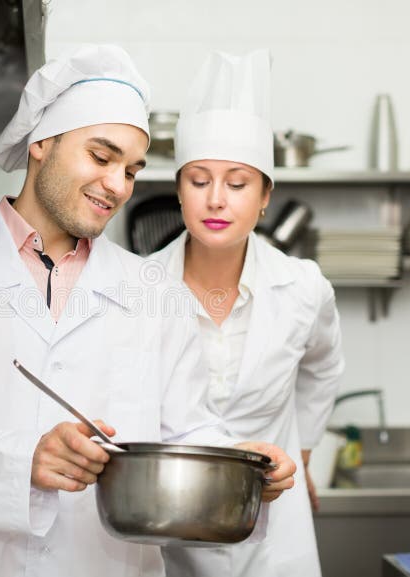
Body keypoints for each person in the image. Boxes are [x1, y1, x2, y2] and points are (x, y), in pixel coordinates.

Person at [0, 44, 295, 577]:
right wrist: (19, 463)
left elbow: (184, 433)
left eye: (131, 170)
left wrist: (240, 467)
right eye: (101, 158)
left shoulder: (153, 291)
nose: (117, 186)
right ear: (42, 143)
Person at [150, 50, 344, 577]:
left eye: (237, 183)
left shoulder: (302, 288)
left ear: (264, 197)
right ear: (178, 190)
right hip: (166, 533)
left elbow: (323, 367)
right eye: (198, 180)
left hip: (275, 533)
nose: (216, 199)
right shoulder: (135, 289)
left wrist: (301, 454)